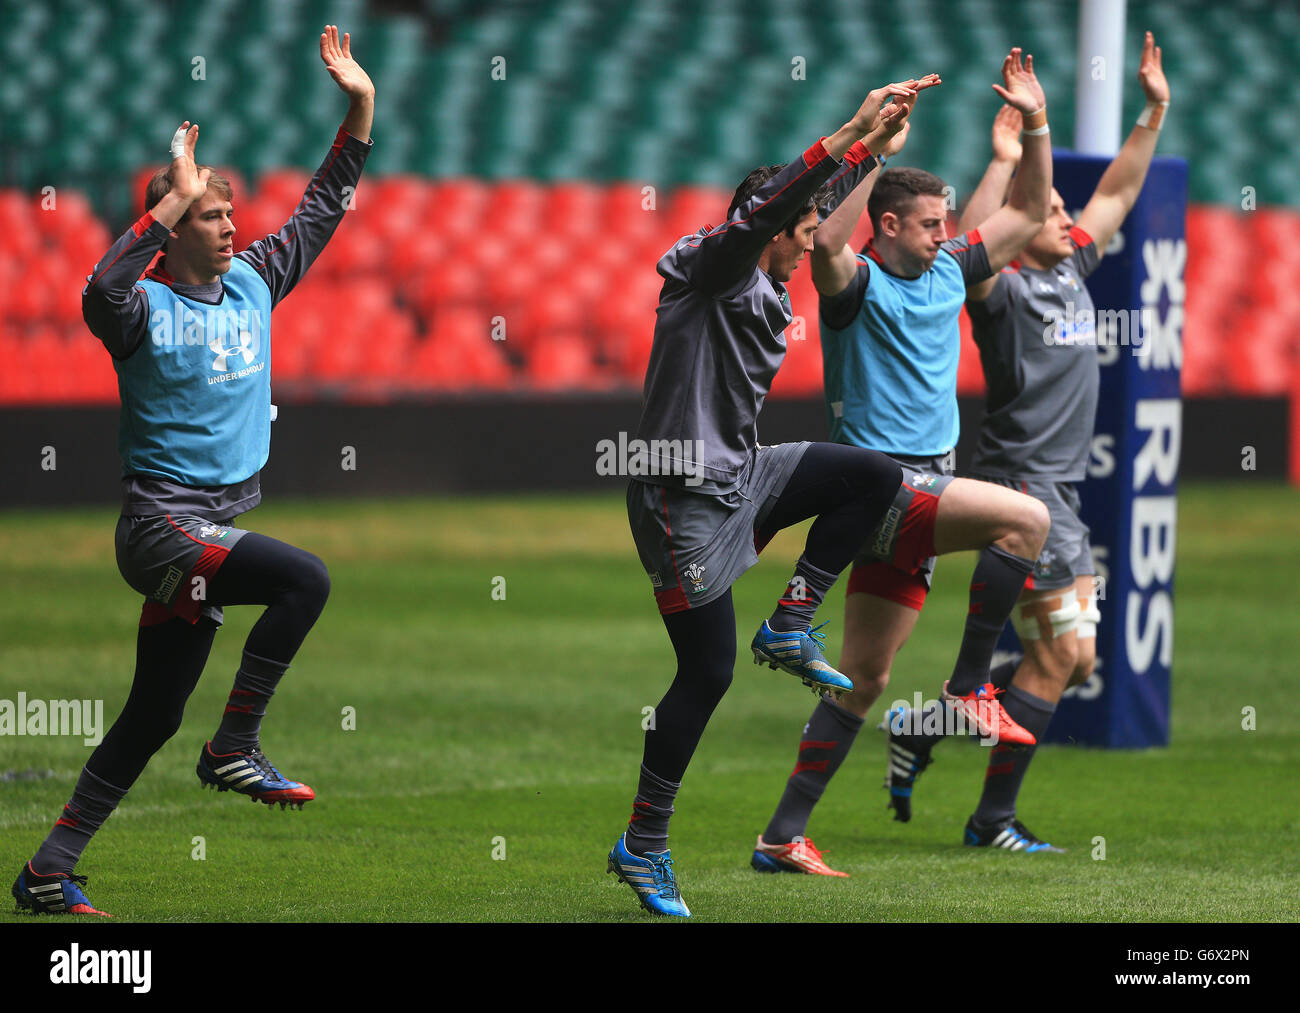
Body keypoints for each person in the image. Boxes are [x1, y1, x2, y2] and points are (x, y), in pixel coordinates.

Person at [11, 26, 374, 917]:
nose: (229, 223)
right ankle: (235, 744)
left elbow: (323, 204)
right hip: (161, 524)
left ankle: (46, 870)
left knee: (152, 711)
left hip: (206, 531)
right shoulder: (138, 310)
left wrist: (361, 105)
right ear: (171, 230)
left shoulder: (255, 282)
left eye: (223, 210)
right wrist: (170, 196)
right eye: (208, 213)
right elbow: (97, 289)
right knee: (305, 579)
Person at [606, 79, 941, 917]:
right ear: (768, 226)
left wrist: (871, 145)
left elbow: (799, 210)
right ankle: (644, 843)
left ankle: (792, 618)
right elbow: (769, 214)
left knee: (872, 474)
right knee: (706, 670)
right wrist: (852, 133)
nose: (810, 245)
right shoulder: (718, 266)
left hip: (739, 473)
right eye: (800, 231)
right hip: (679, 494)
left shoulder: (763, 277)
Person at [752, 48, 1055, 878]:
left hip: (909, 506)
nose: (944, 234)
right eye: (929, 223)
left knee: (862, 679)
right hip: (886, 484)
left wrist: (1032, 127)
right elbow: (828, 247)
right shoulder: (857, 288)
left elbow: (1028, 209)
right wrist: (874, 147)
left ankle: (781, 835)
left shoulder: (949, 273)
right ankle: (967, 687)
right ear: (888, 226)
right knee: (1028, 517)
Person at [883, 31, 1172, 852]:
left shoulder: (1071, 269)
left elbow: (1116, 195)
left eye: (1058, 210)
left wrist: (1152, 111)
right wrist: (1007, 157)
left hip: (1065, 492)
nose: (1063, 214)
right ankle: (991, 821)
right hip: (1024, 489)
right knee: (1059, 660)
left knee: (1075, 665)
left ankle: (923, 724)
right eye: (1050, 210)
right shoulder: (1004, 294)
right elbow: (976, 245)